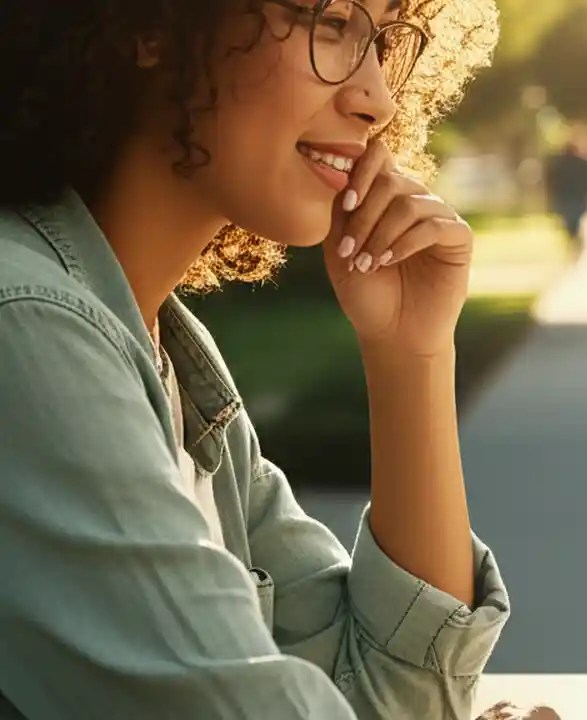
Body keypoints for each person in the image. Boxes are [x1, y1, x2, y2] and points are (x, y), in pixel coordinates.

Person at [0, 2, 547, 718]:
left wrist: (411, 353)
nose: (378, 100)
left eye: (385, 42)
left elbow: (392, 701)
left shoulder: (176, 371)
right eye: (332, 22)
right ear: (151, 25)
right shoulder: (27, 327)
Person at [544, 124, 587, 252]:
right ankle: (575, 240)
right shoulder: (584, 164)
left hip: (564, 197)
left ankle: (573, 240)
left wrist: (551, 195)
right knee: (576, 219)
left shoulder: (557, 164)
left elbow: (551, 180)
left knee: (568, 220)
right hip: (579, 197)